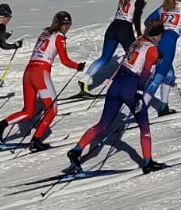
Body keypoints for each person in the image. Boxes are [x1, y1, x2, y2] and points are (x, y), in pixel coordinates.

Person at [65, 21, 167, 174]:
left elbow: (127, 62)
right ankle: (147, 162)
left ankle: (77, 149)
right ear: (158, 35)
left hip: (117, 84)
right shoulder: (152, 49)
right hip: (131, 87)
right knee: (144, 125)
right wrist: (139, 94)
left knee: (103, 124)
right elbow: (145, 73)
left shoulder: (136, 42)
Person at [0, 11, 85, 152]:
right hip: (40, 73)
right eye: (65, 24)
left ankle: (2, 124)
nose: (67, 27)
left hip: (28, 71)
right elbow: (65, 60)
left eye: (69, 24)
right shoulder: (60, 37)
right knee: (52, 110)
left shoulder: (45, 33)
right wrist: (77, 66)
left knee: (29, 112)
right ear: (59, 24)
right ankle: (35, 141)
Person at [82, 0, 151, 92]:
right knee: (133, 55)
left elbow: (130, 7)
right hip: (124, 28)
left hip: (113, 27)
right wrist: (139, 32)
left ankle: (85, 78)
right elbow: (136, 16)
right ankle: (132, 83)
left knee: (105, 57)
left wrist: (143, 1)